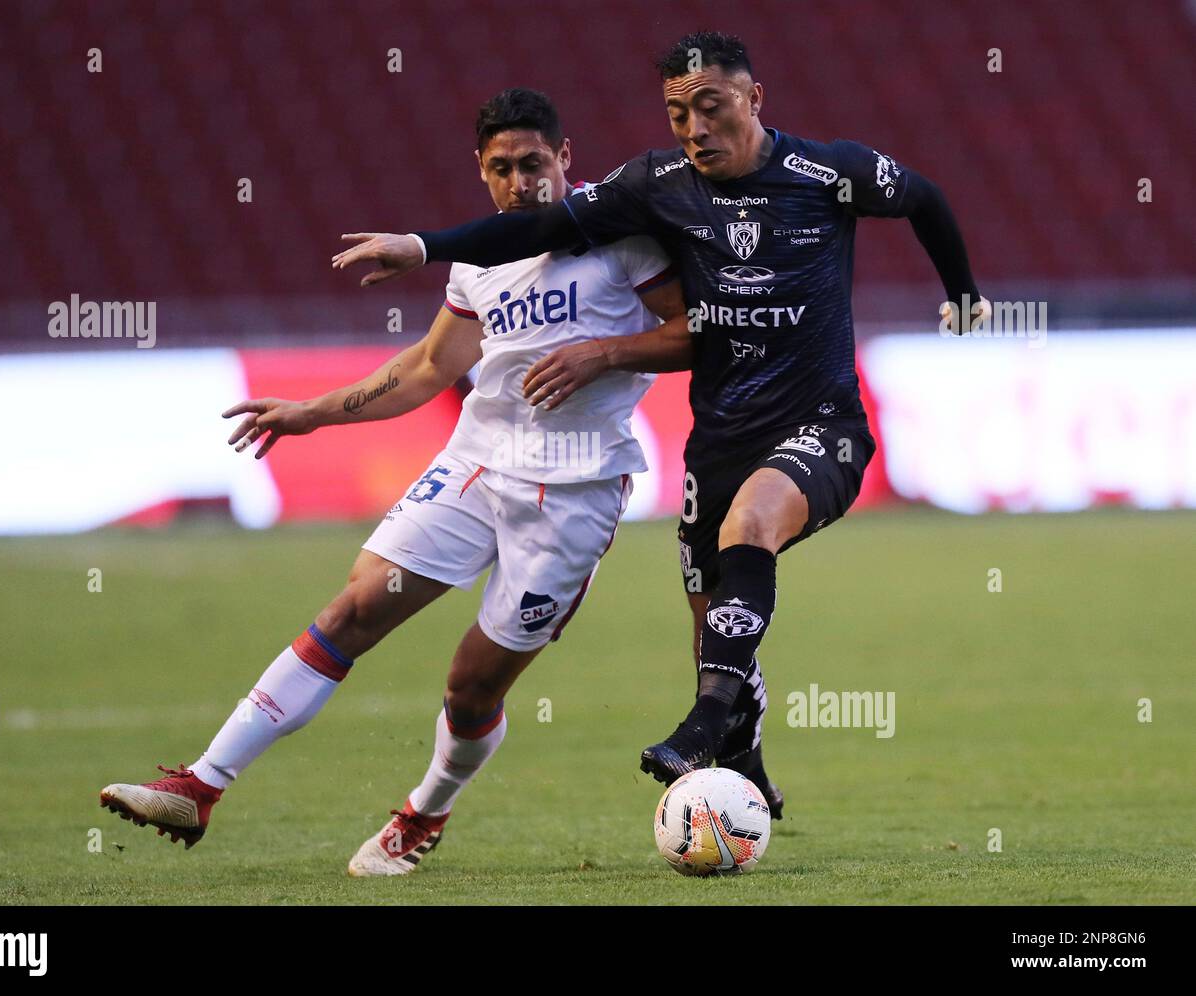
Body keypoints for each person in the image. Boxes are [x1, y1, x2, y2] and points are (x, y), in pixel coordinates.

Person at [330, 32, 989, 795]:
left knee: (752, 528)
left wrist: (963, 292)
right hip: (721, 437)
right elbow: (541, 227)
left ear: (753, 99)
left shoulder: (830, 172)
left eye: (710, 108)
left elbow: (926, 197)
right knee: (715, 623)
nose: (695, 129)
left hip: (824, 423)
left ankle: (702, 726)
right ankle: (744, 773)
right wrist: (426, 245)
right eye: (679, 114)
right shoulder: (657, 182)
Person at [98, 88, 691, 875]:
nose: (522, 183)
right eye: (503, 168)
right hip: (476, 464)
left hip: (576, 491)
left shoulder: (619, 235)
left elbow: (695, 332)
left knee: (471, 688)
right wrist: (314, 411)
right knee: (353, 606)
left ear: (566, 158)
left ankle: (425, 813)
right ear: (481, 173)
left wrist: (604, 354)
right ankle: (200, 784)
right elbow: (427, 367)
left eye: (535, 164)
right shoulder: (483, 257)